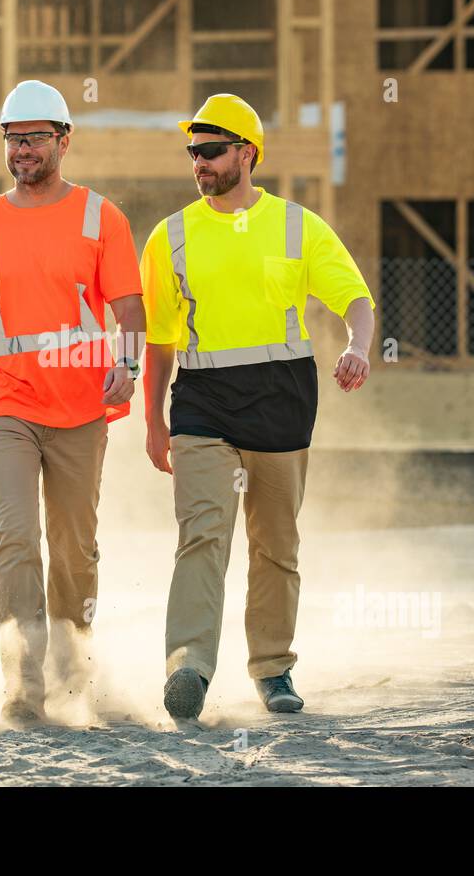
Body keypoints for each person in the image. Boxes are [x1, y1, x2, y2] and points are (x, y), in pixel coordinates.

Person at [139, 93, 375, 719]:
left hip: (281, 396)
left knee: (275, 545)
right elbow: (159, 339)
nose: (200, 163)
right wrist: (153, 421)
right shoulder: (171, 237)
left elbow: (355, 298)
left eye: (212, 151)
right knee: (202, 535)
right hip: (202, 401)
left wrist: (359, 348)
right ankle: (187, 665)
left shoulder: (298, 226)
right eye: (193, 152)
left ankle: (273, 670)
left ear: (247, 153)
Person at [0, 80, 146, 725]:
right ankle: (23, 687)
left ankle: (71, 674)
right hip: (2, 403)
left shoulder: (100, 218)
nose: (22, 149)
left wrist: (128, 365)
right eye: (12, 138)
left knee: (75, 546)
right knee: (15, 537)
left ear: (63, 140)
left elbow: (130, 307)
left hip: (81, 406)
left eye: (35, 137)